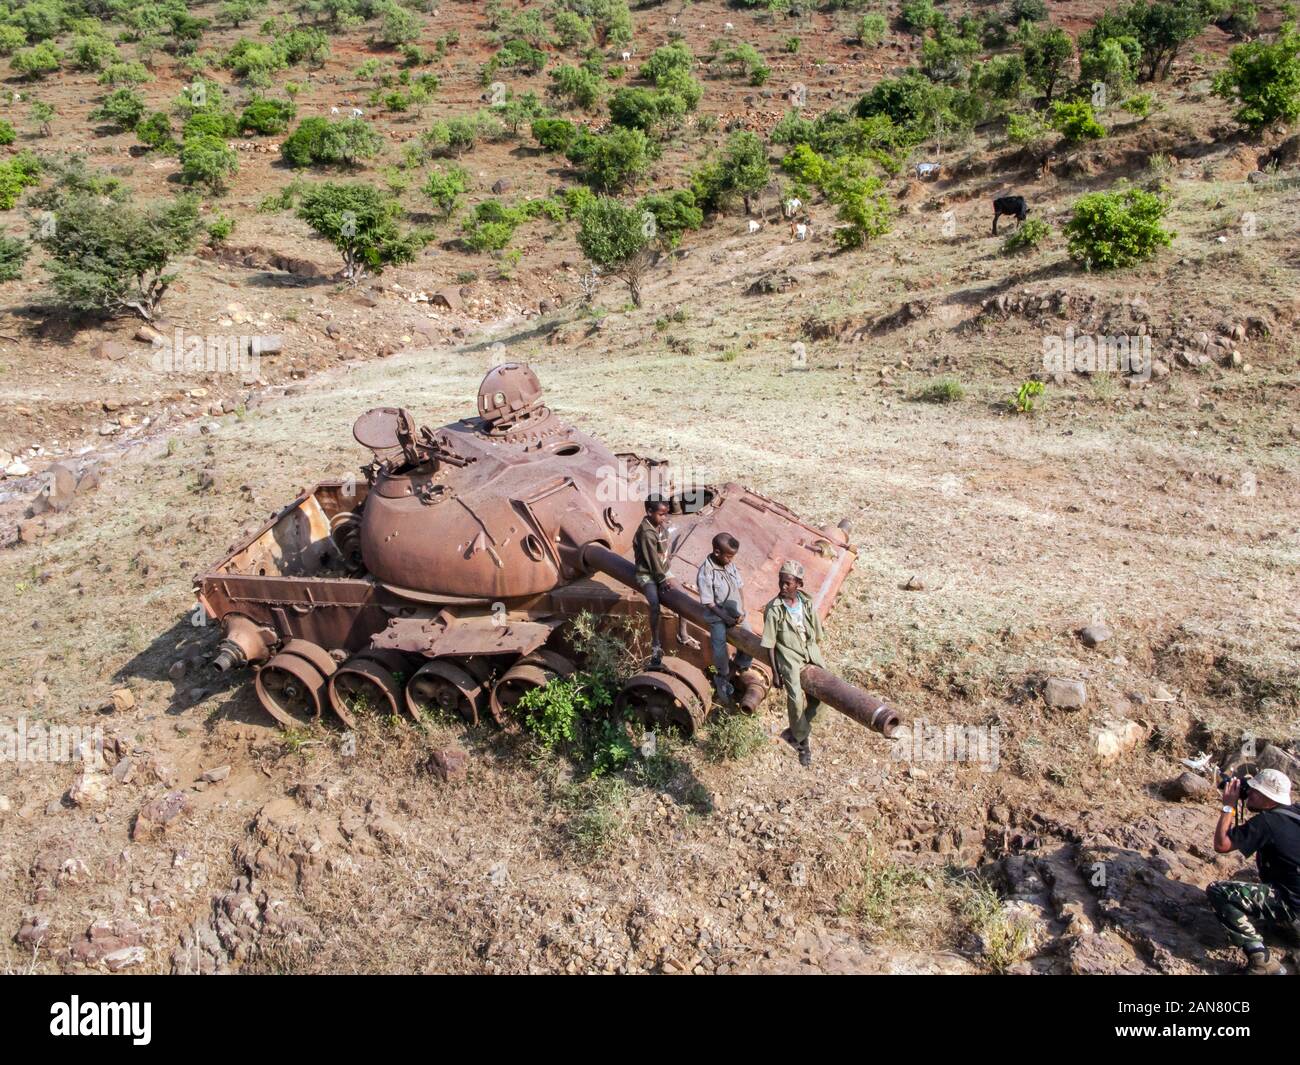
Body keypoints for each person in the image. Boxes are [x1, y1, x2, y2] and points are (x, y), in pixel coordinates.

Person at [1206, 768, 1300, 974]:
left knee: (1219, 891)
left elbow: (1222, 844)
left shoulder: (1267, 822)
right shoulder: (1295, 813)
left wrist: (1228, 806)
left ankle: (1262, 961)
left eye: (1255, 791)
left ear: (1268, 799)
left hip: (1294, 908)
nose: (1249, 794)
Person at [761, 560, 824, 768]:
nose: (783, 587)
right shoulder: (774, 609)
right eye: (781, 582)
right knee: (796, 699)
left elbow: (816, 630)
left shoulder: (806, 602)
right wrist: (776, 672)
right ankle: (802, 742)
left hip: (810, 652)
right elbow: (769, 644)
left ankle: (796, 730)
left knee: (821, 697)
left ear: (799, 584)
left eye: (788, 583)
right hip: (789, 657)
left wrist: (815, 651)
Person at [695, 533, 753, 705]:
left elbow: (740, 586)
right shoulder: (706, 571)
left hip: (735, 610)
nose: (730, 560)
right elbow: (709, 602)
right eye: (728, 556)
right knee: (719, 646)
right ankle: (722, 675)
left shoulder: (730, 565)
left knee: (749, 640)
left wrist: (741, 609)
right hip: (717, 615)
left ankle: (739, 665)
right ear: (717, 552)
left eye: (732, 556)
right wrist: (725, 618)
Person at [633, 496, 675, 665]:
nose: (665, 518)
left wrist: (665, 572)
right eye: (661, 514)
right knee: (654, 604)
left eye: (666, 514)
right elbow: (651, 559)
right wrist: (661, 579)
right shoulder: (646, 533)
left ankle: (683, 633)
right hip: (647, 573)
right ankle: (656, 641)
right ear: (649, 512)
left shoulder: (659, 526)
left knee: (682, 593)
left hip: (662, 570)